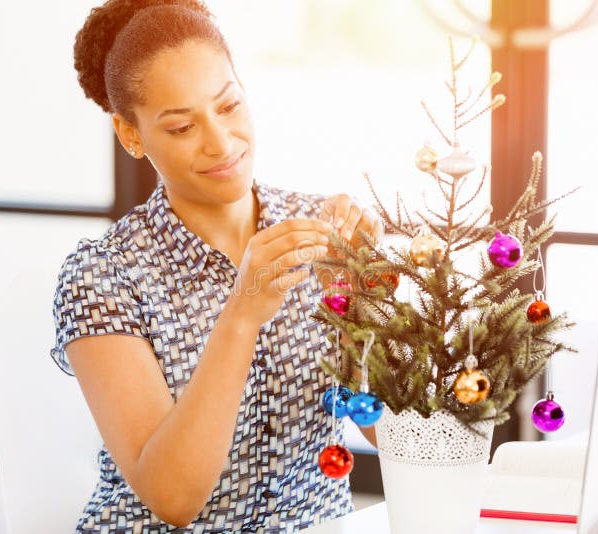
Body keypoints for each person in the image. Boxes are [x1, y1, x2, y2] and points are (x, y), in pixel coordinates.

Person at [50, 0, 380, 531]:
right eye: (182, 128)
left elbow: (393, 433)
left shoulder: (314, 229)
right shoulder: (103, 274)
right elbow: (173, 499)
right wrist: (242, 315)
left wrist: (369, 298)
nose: (221, 143)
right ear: (131, 134)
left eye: (228, 106)